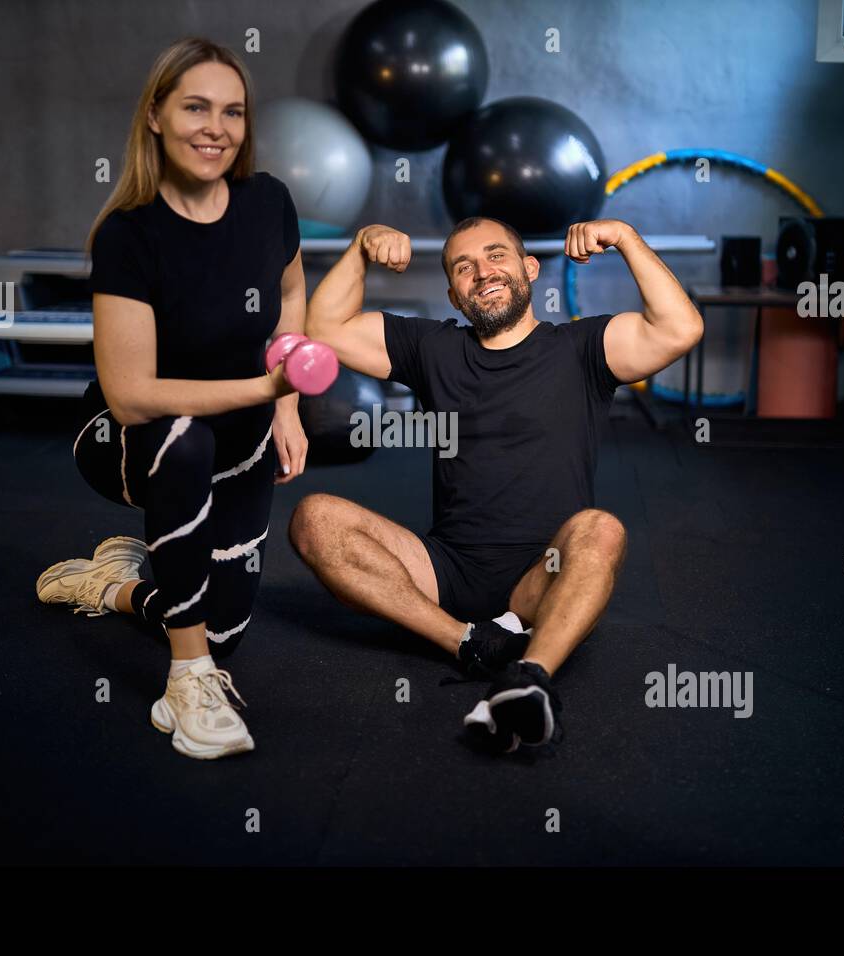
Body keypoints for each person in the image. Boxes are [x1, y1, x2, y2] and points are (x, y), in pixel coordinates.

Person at [288, 217, 703, 754]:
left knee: (601, 529)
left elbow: (680, 328)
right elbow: (325, 329)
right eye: (464, 267)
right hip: (448, 573)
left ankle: (529, 676)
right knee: (314, 517)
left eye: (496, 256)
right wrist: (363, 245)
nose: (483, 272)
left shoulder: (584, 348)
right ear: (454, 296)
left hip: (544, 575)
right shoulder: (432, 348)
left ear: (529, 269)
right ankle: (465, 644)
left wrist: (624, 235)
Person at [35, 37, 308, 760]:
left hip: (238, 433)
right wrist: (266, 386)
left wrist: (284, 407)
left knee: (225, 629)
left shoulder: (268, 201)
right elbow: (130, 397)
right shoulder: (128, 235)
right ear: (155, 115)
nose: (215, 127)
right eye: (195, 107)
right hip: (130, 440)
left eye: (232, 111)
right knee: (182, 435)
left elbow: (289, 290)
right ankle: (186, 679)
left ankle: (115, 587)